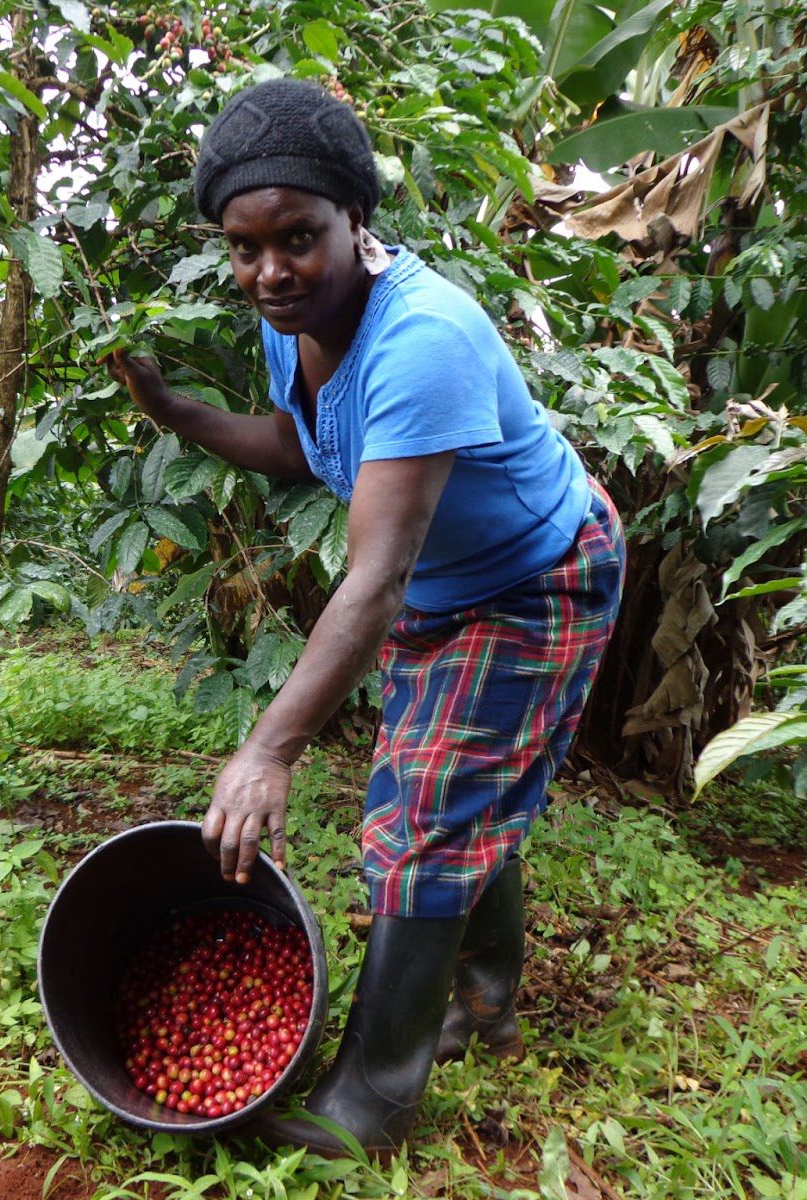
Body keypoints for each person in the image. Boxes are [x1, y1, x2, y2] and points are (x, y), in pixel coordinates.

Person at [107, 77, 624, 1156]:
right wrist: (180, 414)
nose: (269, 273)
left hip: (534, 578)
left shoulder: (420, 337)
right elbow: (312, 446)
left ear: (357, 221)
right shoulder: (294, 322)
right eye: (244, 249)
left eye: (297, 239)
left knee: (423, 814)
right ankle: (483, 997)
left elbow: (375, 577)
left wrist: (268, 747)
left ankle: (375, 1096)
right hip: (447, 584)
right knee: (452, 788)